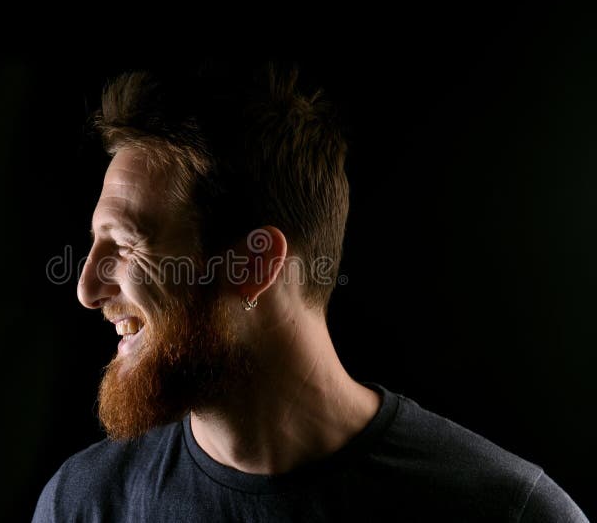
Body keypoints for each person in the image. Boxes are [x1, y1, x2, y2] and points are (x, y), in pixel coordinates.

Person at [32, 62, 588, 522]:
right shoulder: (83, 504)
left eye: (126, 245)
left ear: (254, 264)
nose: (86, 288)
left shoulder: (509, 512)